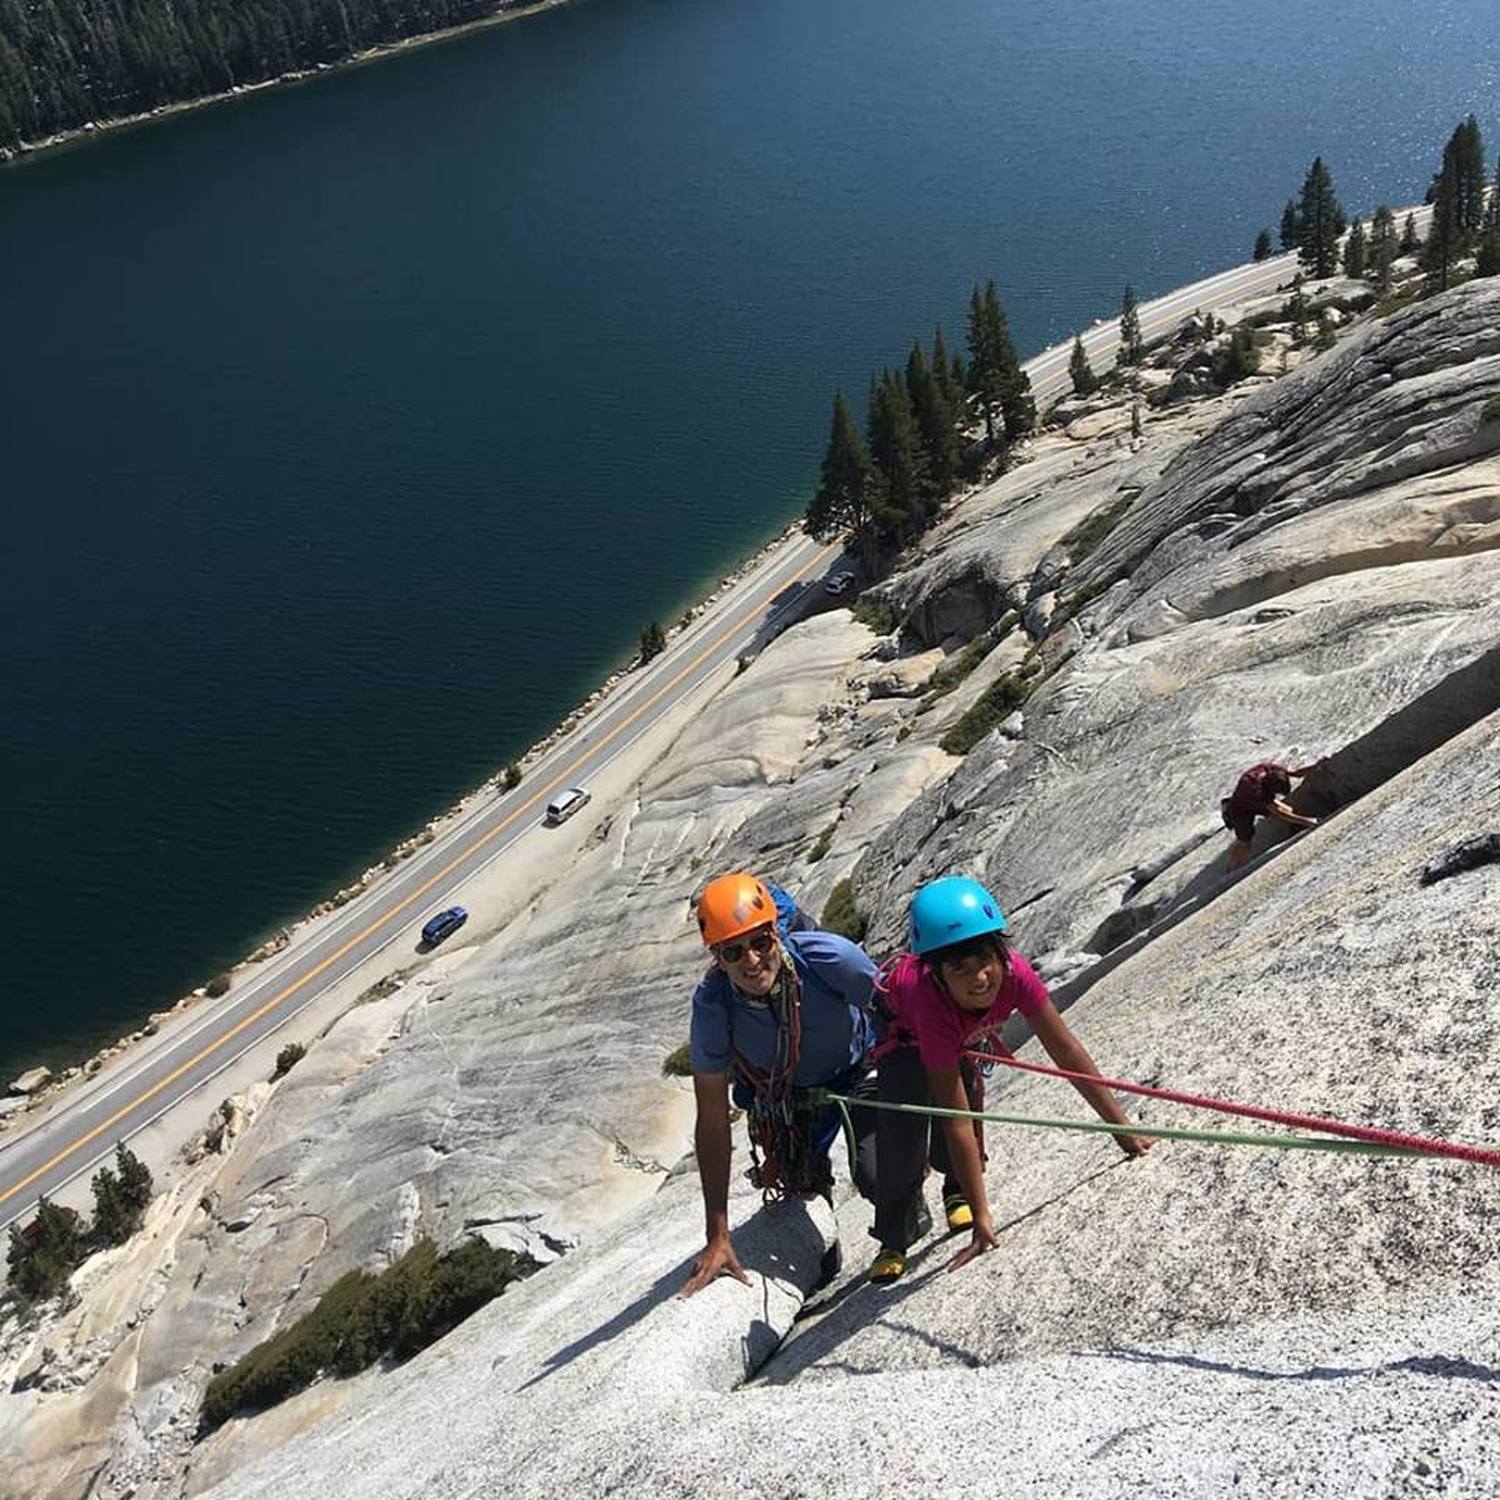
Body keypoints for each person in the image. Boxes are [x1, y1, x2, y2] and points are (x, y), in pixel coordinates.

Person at [869, 876, 1152, 1283]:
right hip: (903, 1035)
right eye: (960, 967)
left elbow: (1066, 1051)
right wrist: (984, 1218)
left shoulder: (1014, 972)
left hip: (954, 1028)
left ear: (1000, 951)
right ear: (937, 974)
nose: (980, 977)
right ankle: (893, 1237)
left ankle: (957, 1191)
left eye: (984, 958)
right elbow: (956, 1120)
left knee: (968, 1100)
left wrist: (1122, 1130)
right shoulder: (931, 1004)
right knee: (903, 1130)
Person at [680, 872, 880, 1297]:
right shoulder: (713, 1008)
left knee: (880, 1174)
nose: (752, 961)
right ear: (717, 958)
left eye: (761, 943)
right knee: (801, 1194)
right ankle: (823, 1244)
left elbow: (893, 1007)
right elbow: (712, 1120)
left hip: (859, 1066)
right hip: (788, 1101)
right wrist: (718, 1233)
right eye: (734, 952)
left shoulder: (826, 958)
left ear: (776, 933)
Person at [1221, 758, 1324, 870]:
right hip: (1240, 810)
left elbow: (1296, 773)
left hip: (1254, 799)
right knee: (1245, 843)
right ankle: (1231, 869)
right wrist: (1308, 821)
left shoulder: (1272, 769)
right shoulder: (1256, 789)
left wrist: (1316, 766)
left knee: (1288, 809)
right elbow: (1278, 812)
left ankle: (1296, 826)